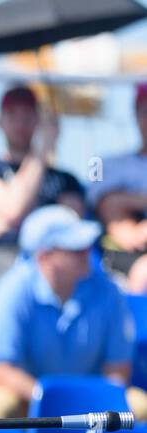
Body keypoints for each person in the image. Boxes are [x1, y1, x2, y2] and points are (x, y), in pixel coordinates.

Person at [0, 205, 147, 422]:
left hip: (80, 397)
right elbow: (0, 369)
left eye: (87, 246)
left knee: (139, 408)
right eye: (75, 248)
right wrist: (54, 401)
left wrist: (74, 402)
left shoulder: (108, 291)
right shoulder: (12, 289)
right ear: (44, 256)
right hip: (20, 391)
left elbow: (118, 372)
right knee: (0, 408)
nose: (86, 253)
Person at [0, 85, 85, 283]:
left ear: (38, 120)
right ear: (0, 122)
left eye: (28, 115)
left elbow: (71, 223)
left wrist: (3, 223)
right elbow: (14, 208)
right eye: (12, 114)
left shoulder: (66, 180)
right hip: (2, 258)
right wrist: (40, 154)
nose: (20, 123)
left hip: (54, 259)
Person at [87, 83, 147, 292]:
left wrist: (128, 201)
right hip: (120, 258)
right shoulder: (105, 164)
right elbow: (111, 212)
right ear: (136, 114)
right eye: (145, 111)